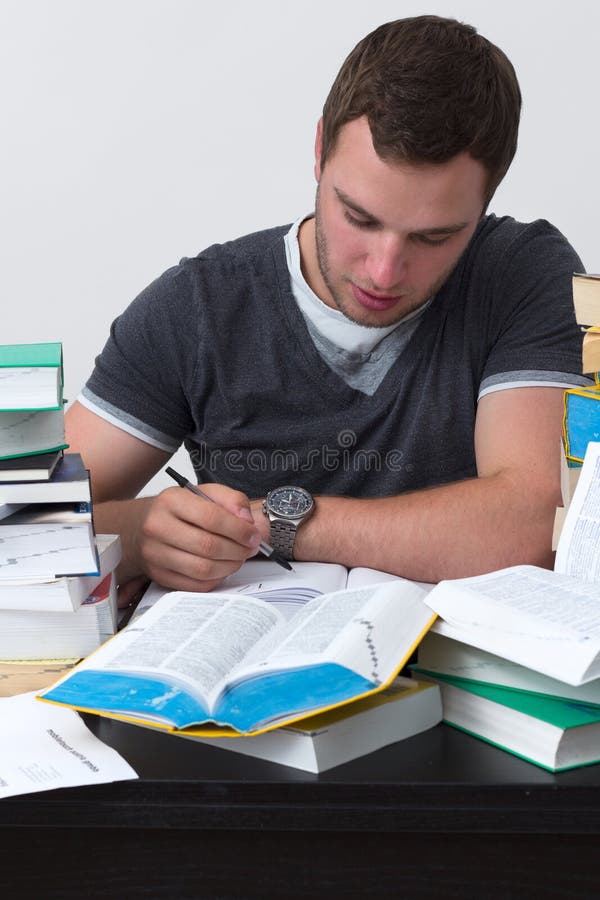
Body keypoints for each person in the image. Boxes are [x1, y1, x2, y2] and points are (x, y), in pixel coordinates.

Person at [65, 15, 589, 598]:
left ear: (487, 200)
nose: (384, 271)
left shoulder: (521, 274)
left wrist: (282, 523)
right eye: (359, 218)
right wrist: (139, 534)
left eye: (433, 238)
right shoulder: (198, 309)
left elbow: (535, 523)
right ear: (319, 152)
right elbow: (28, 521)